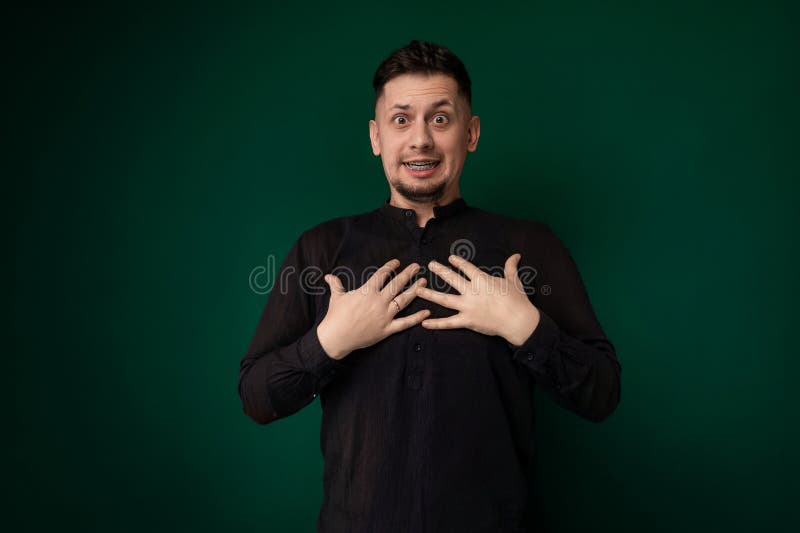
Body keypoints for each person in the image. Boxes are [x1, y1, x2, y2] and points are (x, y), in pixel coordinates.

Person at [238, 40, 621, 533]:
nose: (420, 139)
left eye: (440, 119)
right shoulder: (322, 249)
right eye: (401, 120)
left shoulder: (528, 247)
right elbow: (256, 397)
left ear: (471, 133)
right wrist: (330, 342)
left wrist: (522, 325)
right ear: (377, 137)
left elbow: (602, 394)